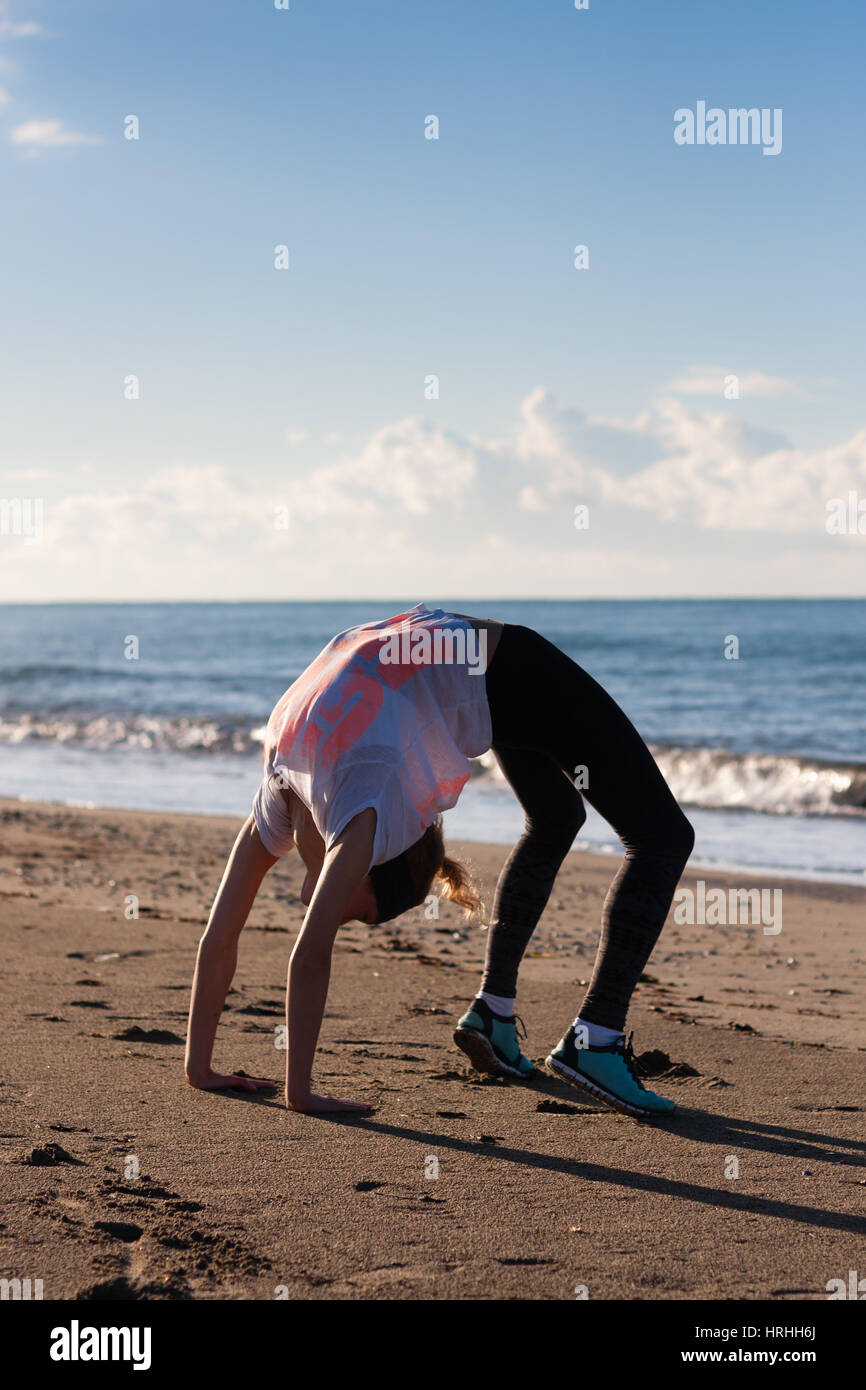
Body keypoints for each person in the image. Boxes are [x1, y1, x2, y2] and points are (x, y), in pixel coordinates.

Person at [185, 602, 694, 1119]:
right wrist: (199, 1069)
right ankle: (502, 1017)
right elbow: (220, 934)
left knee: (661, 838)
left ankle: (593, 1037)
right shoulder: (286, 790)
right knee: (559, 820)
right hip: (484, 674)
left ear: (376, 861)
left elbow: (309, 952)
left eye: (363, 916)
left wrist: (301, 1093)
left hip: (519, 671)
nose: (340, 914)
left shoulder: (356, 819)